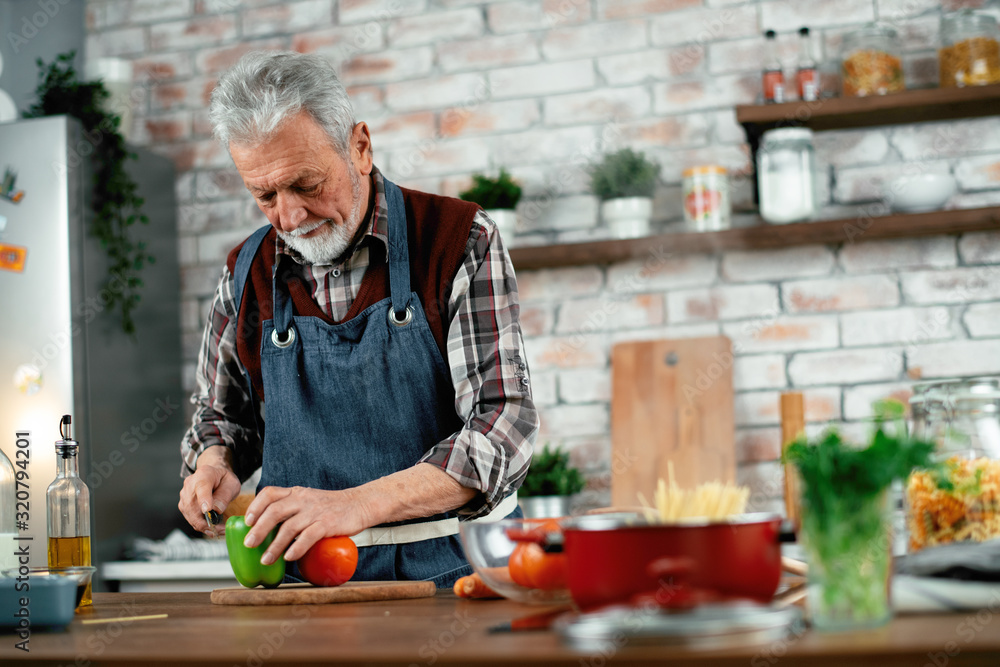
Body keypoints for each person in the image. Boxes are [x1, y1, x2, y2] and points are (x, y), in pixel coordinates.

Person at [177, 51, 538, 587]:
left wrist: (356, 506)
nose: (290, 217)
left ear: (360, 147)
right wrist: (213, 465)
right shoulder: (245, 271)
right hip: (307, 590)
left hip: (459, 578)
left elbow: (501, 427)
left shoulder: (458, 238)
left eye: (306, 184)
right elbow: (222, 417)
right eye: (265, 195)